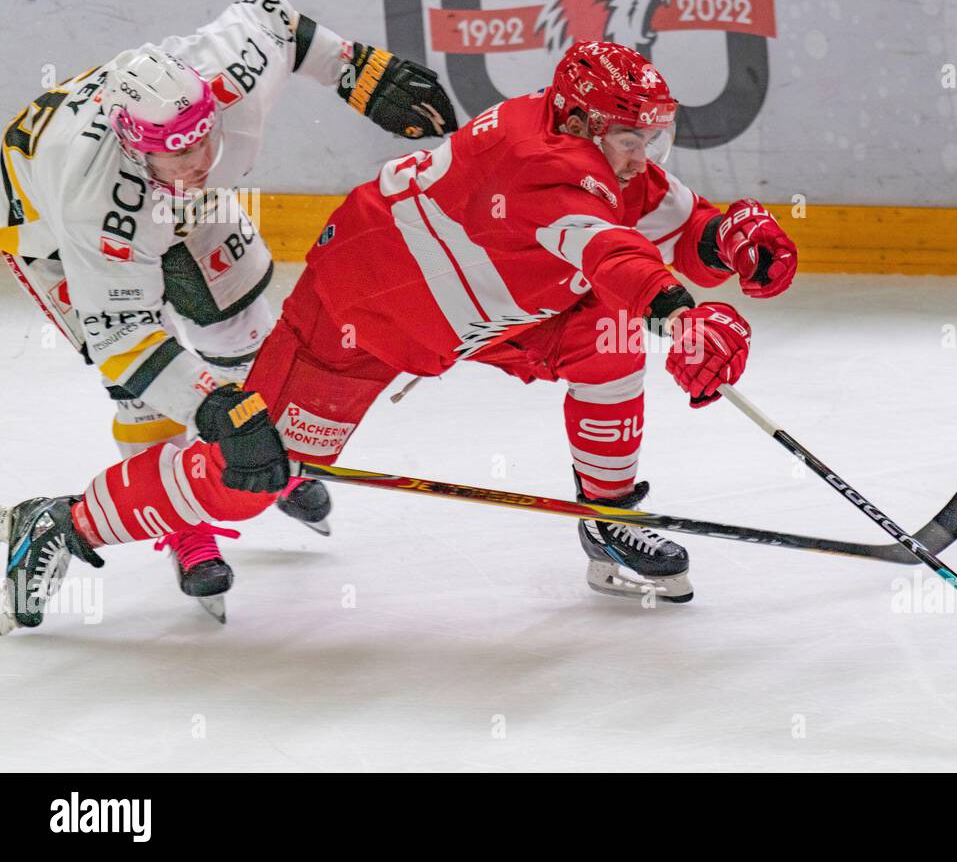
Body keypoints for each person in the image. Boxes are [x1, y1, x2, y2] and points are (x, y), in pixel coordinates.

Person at [1, 40, 796, 634]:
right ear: (584, 122)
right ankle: (62, 522)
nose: (646, 155)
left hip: (483, 305)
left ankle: (608, 519)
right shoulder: (540, 162)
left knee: (611, 338)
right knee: (253, 470)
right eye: (634, 137)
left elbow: (668, 221)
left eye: (654, 136)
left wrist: (731, 238)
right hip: (365, 307)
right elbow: (609, 251)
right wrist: (681, 312)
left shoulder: (606, 157)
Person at [0, 0, 456, 615]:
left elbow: (274, 18)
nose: (198, 161)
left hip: (170, 205)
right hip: (45, 234)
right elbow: (126, 340)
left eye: (202, 139)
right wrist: (215, 413)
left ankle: (258, 465)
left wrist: (355, 69)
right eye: (177, 151)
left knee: (245, 333)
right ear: (135, 147)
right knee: (142, 389)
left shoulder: (224, 74)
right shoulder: (93, 201)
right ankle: (183, 522)